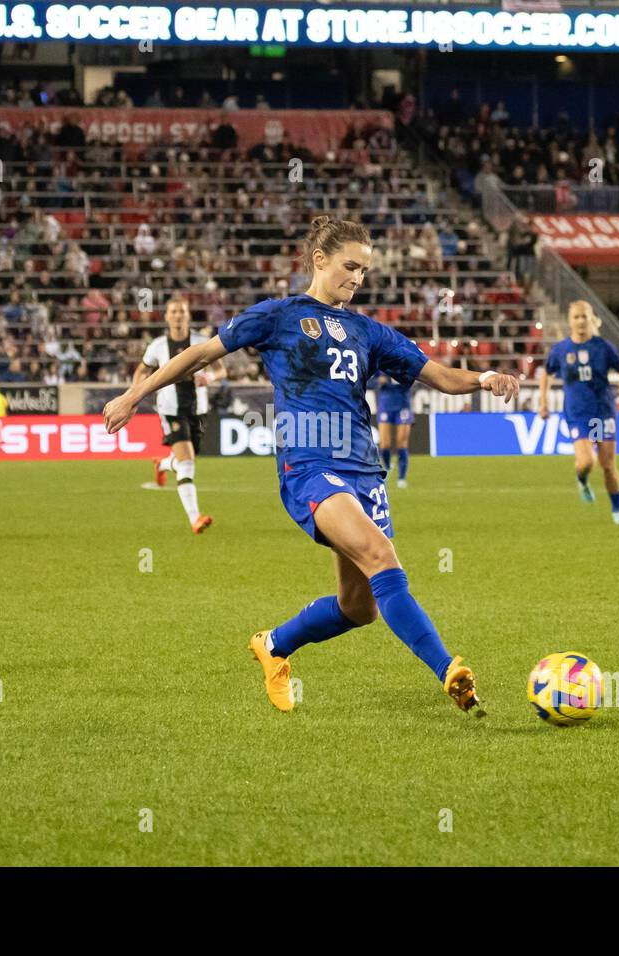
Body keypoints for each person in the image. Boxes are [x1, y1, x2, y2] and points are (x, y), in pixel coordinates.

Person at [103, 217, 519, 716]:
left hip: (365, 469)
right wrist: (134, 394)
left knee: (358, 607)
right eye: (350, 266)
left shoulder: (369, 331)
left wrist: (486, 377)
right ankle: (449, 669)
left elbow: (439, 376)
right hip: (310, 464)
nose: (358, 278)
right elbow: (198, 354)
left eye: (365, 270)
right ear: (319, 260)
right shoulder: (278, 316)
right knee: (382, 554)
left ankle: (274, 645)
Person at [134, 297, 225, 533]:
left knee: (186, 460)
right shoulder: (157, 346)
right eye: (173, 312)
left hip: (198, 409)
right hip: (170, 409)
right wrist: (134, 397)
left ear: (187, 315)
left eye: (181, 312)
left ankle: (163, 464)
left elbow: (220, 369)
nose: (177, 315)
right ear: (166, 316)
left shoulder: (201, 341)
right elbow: (142, 370)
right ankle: (195, 517)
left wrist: (210, 378)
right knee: (187, 463)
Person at [536, 301, 619, 524]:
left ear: (591, 318)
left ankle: (617, 511)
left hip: (602, 412)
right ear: (570, 321)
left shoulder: (603, 346)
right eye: (576, 317)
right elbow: (546, 374)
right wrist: (543, 402)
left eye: (584, 316)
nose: (581, 321)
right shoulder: (561, 350)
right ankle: (582, 480)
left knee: (607, 466)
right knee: (586, 462)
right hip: (578, 412)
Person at [372, 371, 414, 488]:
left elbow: (411, 379)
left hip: (403, 405)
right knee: (385, 444)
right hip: (385, 405)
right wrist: (379, 380)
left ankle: (401, 477)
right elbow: (370, 378)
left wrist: (393, 379)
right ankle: (388, 466)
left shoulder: (404, 362)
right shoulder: (381, 361)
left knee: (402, 444)